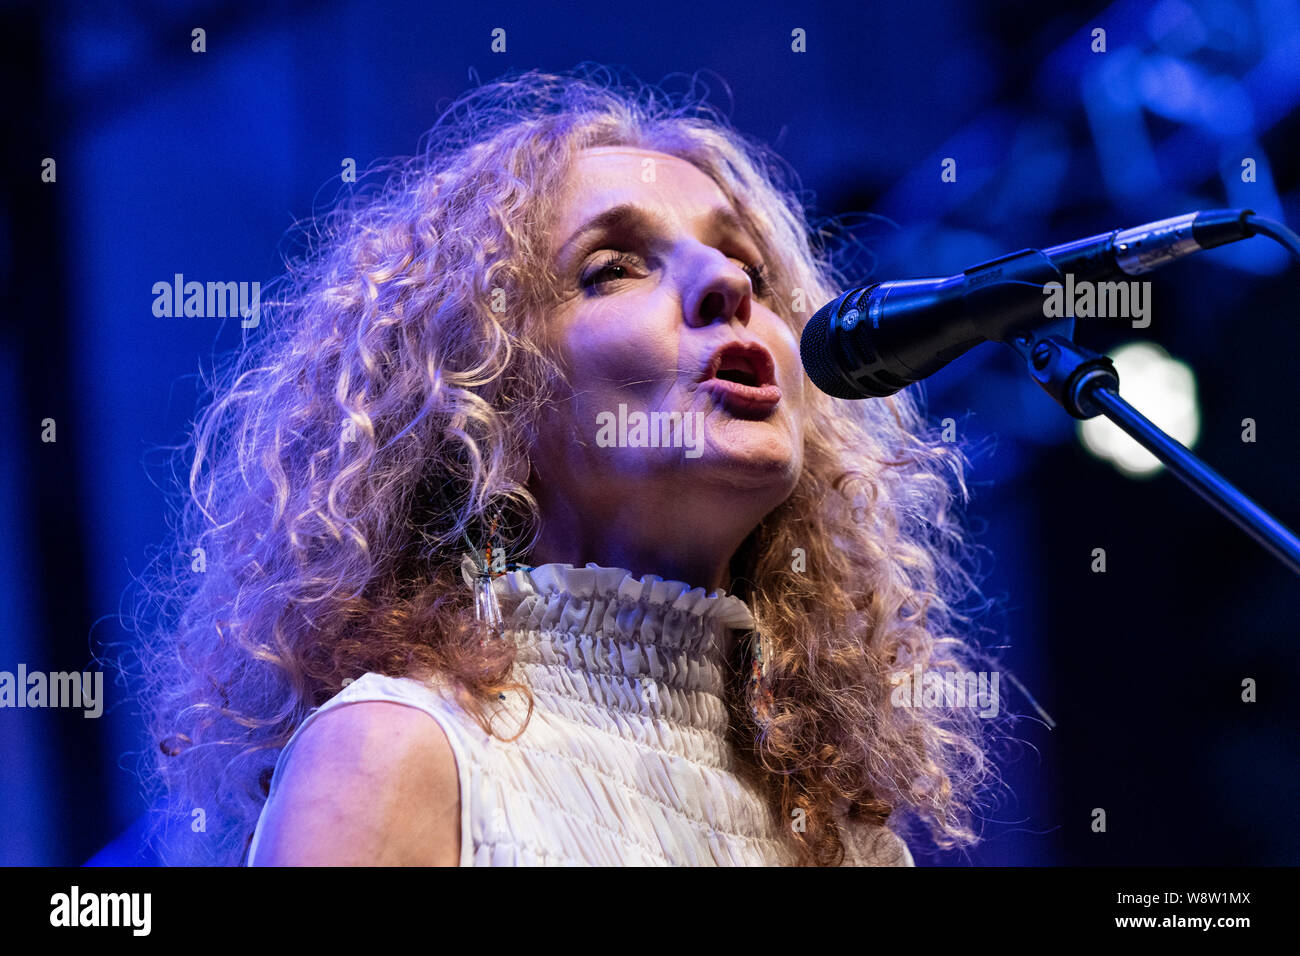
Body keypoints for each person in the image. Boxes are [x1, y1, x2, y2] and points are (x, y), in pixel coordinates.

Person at [140, 66, 995, 867]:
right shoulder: (395, 752)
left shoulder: (844, 840)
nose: (726, 286)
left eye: (753, 270)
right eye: (613, 269)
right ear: (478, 394)